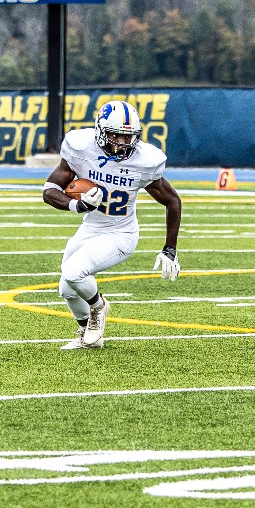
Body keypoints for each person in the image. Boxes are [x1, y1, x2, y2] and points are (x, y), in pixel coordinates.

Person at [41, 100, 182, 351]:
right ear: (101, 131)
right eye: (116, 135)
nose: (123, 143)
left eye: (129, 137)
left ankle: (99, 307)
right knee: (67, 287)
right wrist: (78, 206)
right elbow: (50, 190)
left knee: (75, 273)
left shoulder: (144, 161)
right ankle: (87, 335)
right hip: (91, 227)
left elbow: (172, 201)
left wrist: (170, 248)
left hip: (121, 234)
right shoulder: (82, 148)